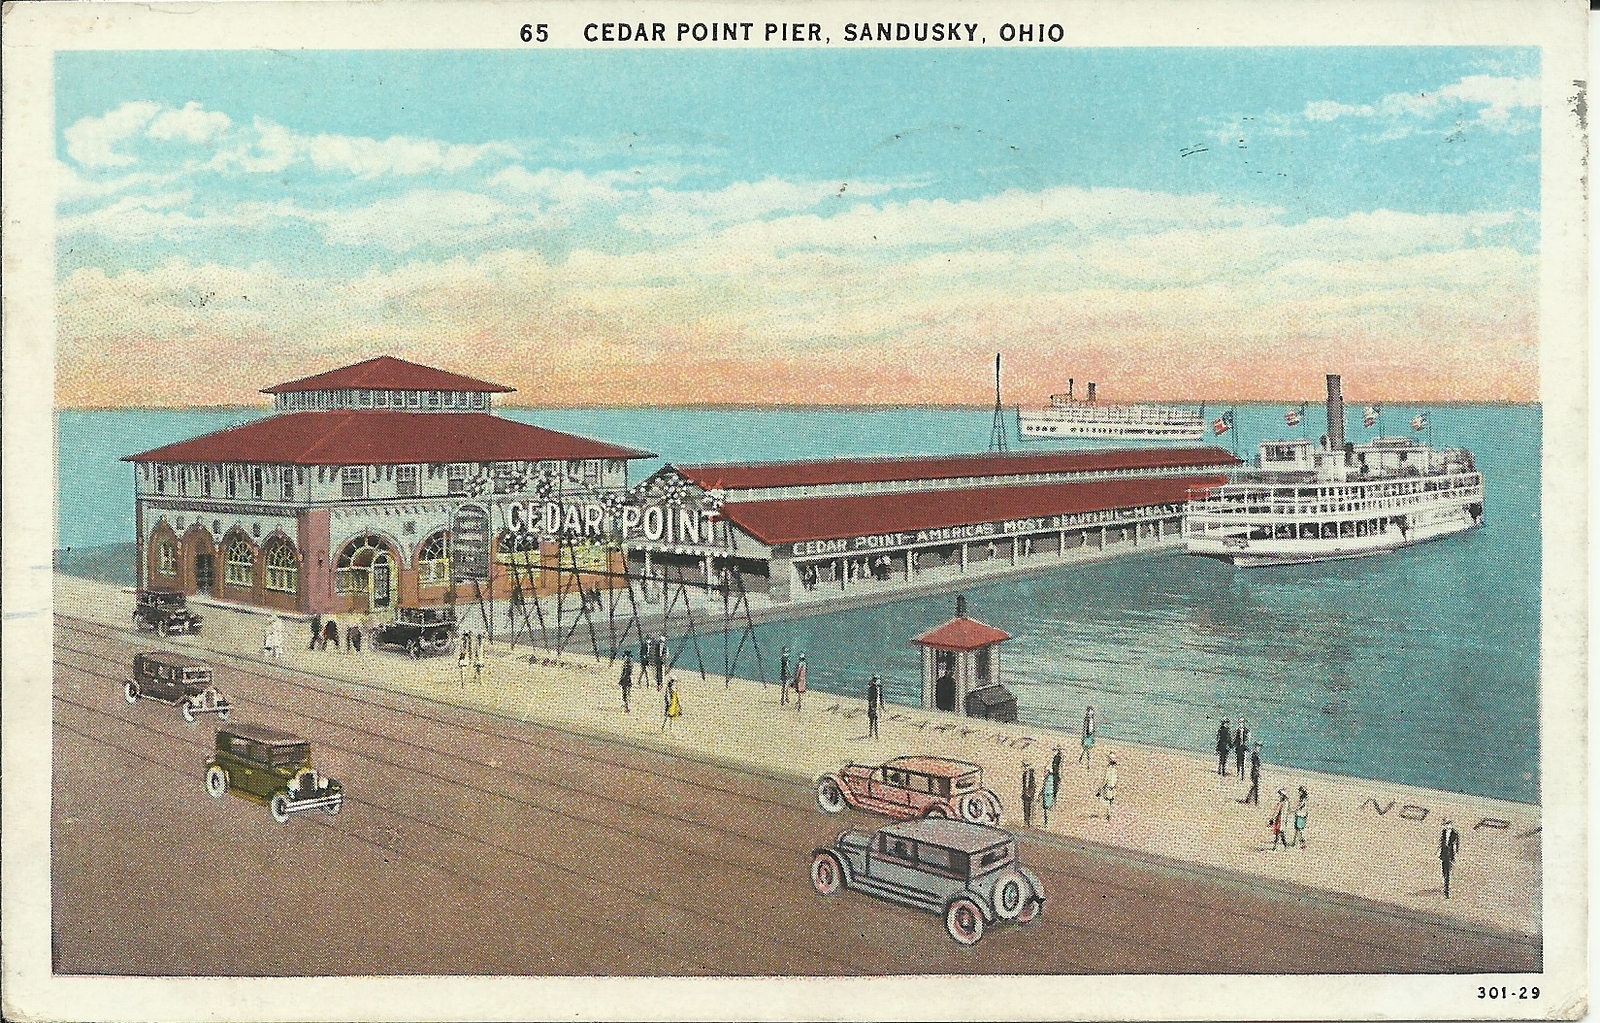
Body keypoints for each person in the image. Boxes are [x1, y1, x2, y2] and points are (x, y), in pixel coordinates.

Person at [1439, 820, 1460, 898]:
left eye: (1447, 825)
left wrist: (1455, 854)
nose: (1446, 826)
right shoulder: (1444, 832)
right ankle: (1445, 882)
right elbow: (1442, 842)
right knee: (1444, 871)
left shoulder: (1454, 834)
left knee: (1447, 872)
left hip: (1450, 855)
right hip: (1444, 854)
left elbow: (1456, 845)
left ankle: (1446, 889)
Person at [866, 674, 883, 739]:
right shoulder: (873, 689)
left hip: (875, 707)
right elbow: (870, 699)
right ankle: (874, 734)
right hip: (873, 706)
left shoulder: (877, 688)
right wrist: (873, 706)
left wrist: (882, 706)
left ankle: (874, 734)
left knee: (874, 720)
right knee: (873, 720)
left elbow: (881, 697)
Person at [1020, 764, 1036, 828]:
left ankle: (1029, 822)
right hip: (1025, 794)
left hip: (1029, 794)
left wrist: (1031, 793)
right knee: (1025, 808)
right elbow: (1024, 785)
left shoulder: (1031, 776)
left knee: (1029, 808)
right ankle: (1025, 821)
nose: (1024, 769)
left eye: (1025, 768)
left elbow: (1033, 786)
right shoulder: (1024, 775)